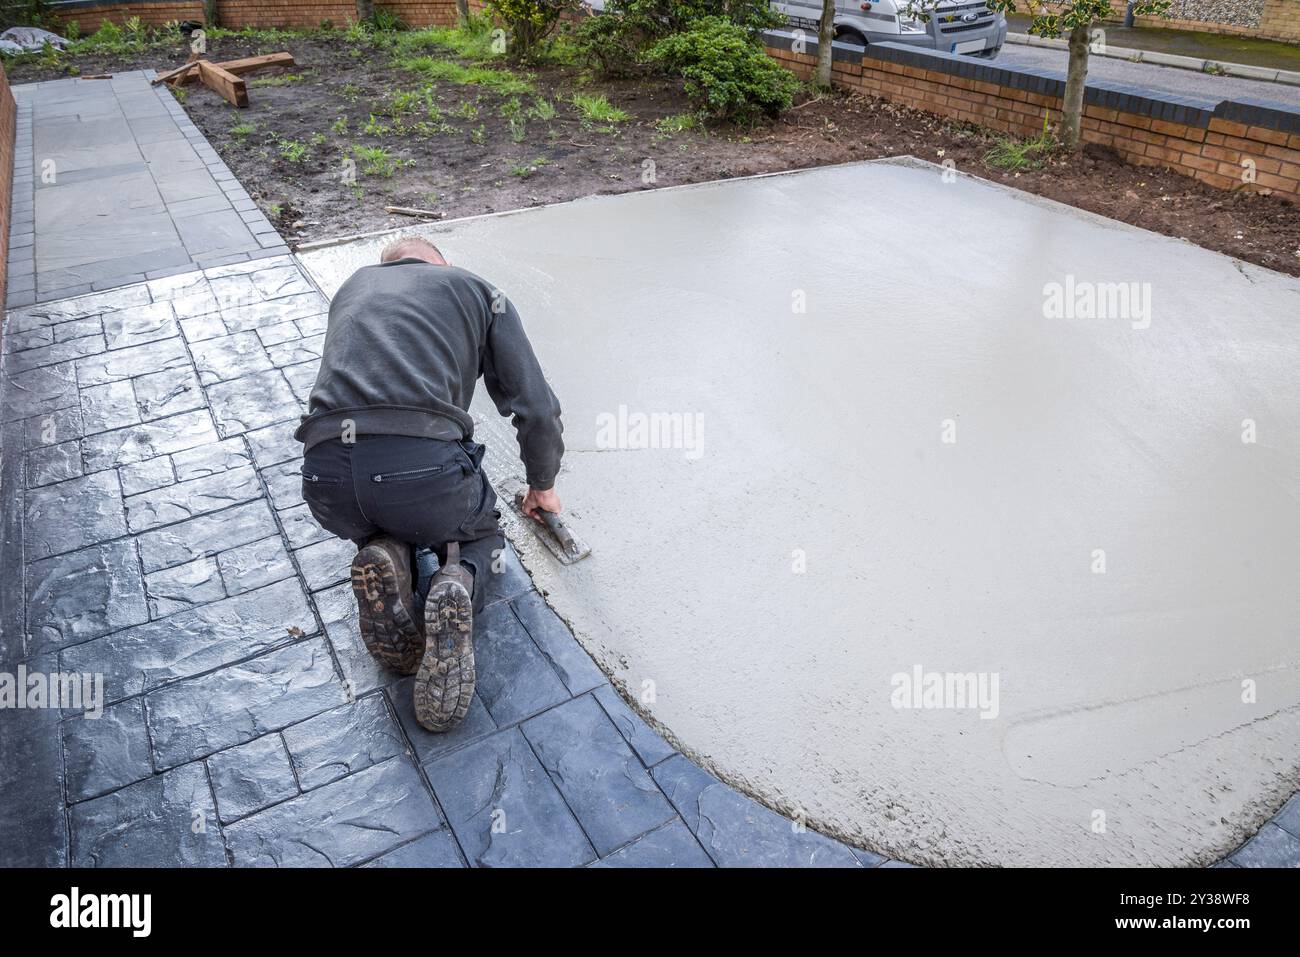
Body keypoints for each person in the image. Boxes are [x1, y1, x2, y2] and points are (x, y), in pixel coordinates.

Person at [295, 235, 564, 732]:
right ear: (441, 263)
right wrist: (541, 484)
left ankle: (387, 555)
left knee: (383, 508)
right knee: (477, 535)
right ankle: (456, 581)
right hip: (424, 472)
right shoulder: (474, 288)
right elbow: (537, 406)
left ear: (388, 268)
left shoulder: (354, 288)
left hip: (325, 478)